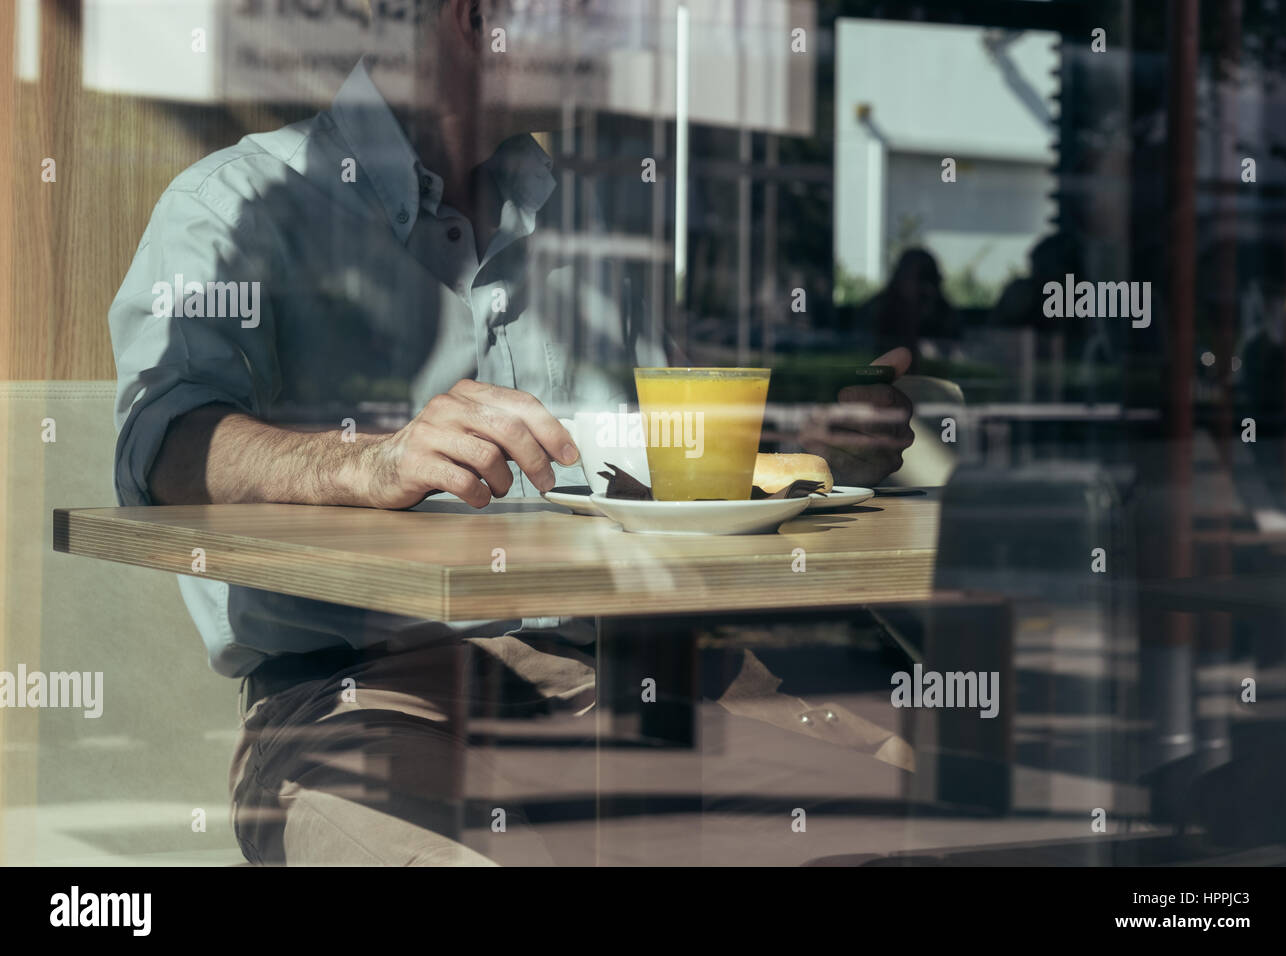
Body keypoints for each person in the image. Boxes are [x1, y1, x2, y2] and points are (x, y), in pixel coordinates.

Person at [109, 0, 914, 864]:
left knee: (931, 830)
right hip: (371, 698)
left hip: (636, 679)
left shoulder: (597, 227)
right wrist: (365, 464)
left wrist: (805, 450)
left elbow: (654, 461)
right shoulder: (237, 203)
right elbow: (163, 448)